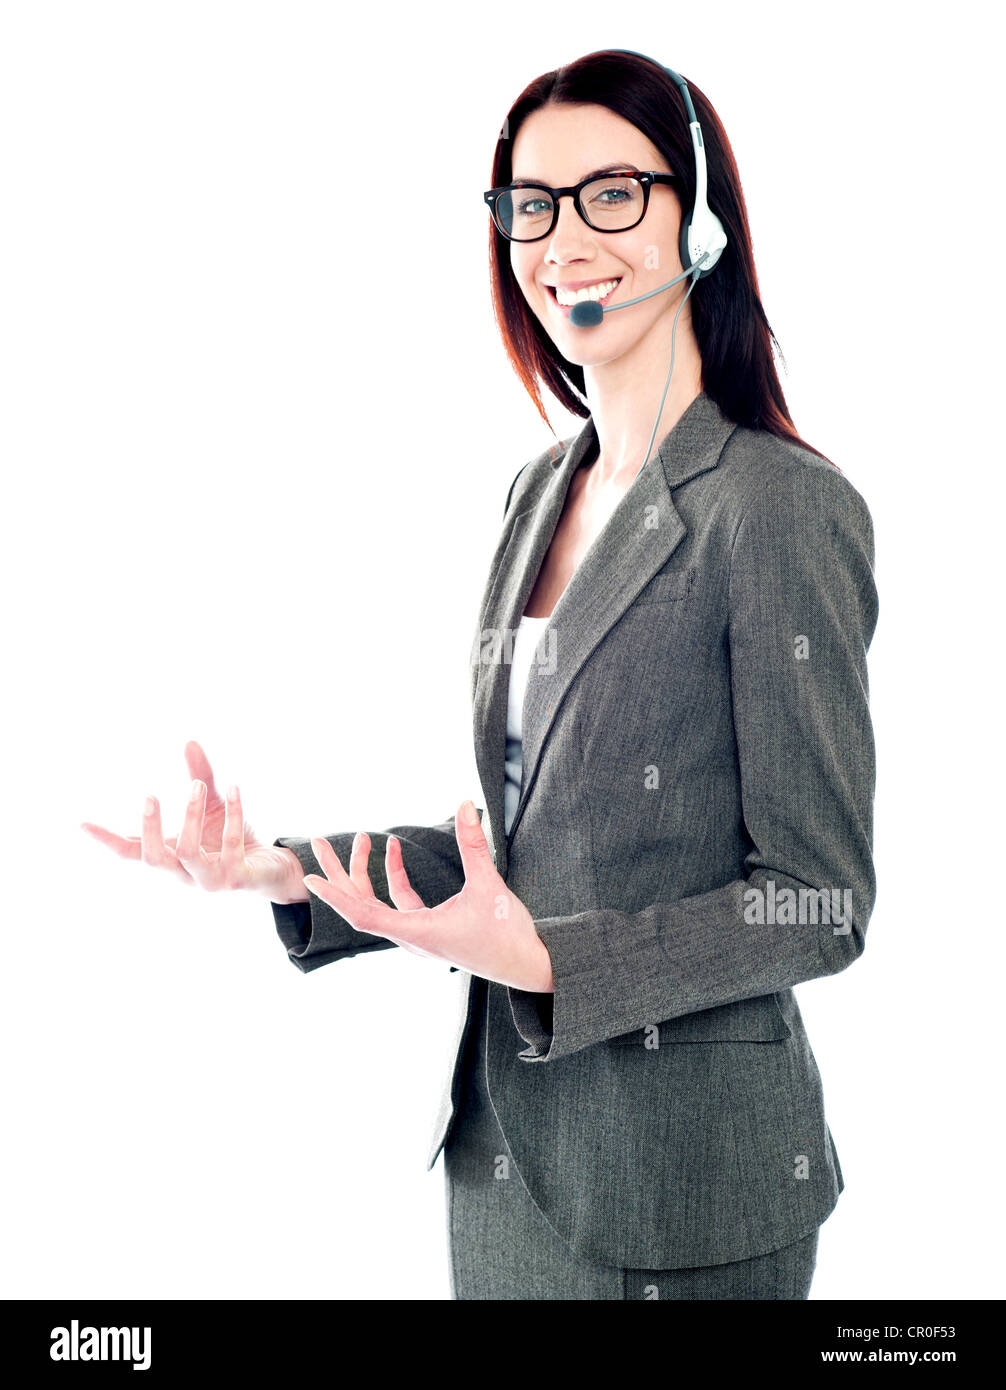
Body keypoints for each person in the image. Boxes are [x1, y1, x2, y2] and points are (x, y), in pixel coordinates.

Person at [83, 49, 878, 1300]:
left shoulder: (776, 509)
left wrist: (554, 962)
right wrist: (284, 870)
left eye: (612, 193)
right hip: (504, 1164)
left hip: (686, 1193)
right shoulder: (536, 495)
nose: (565, 238)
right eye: (531, 203)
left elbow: (820, 900)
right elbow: (524, 850)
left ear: (700, 216)